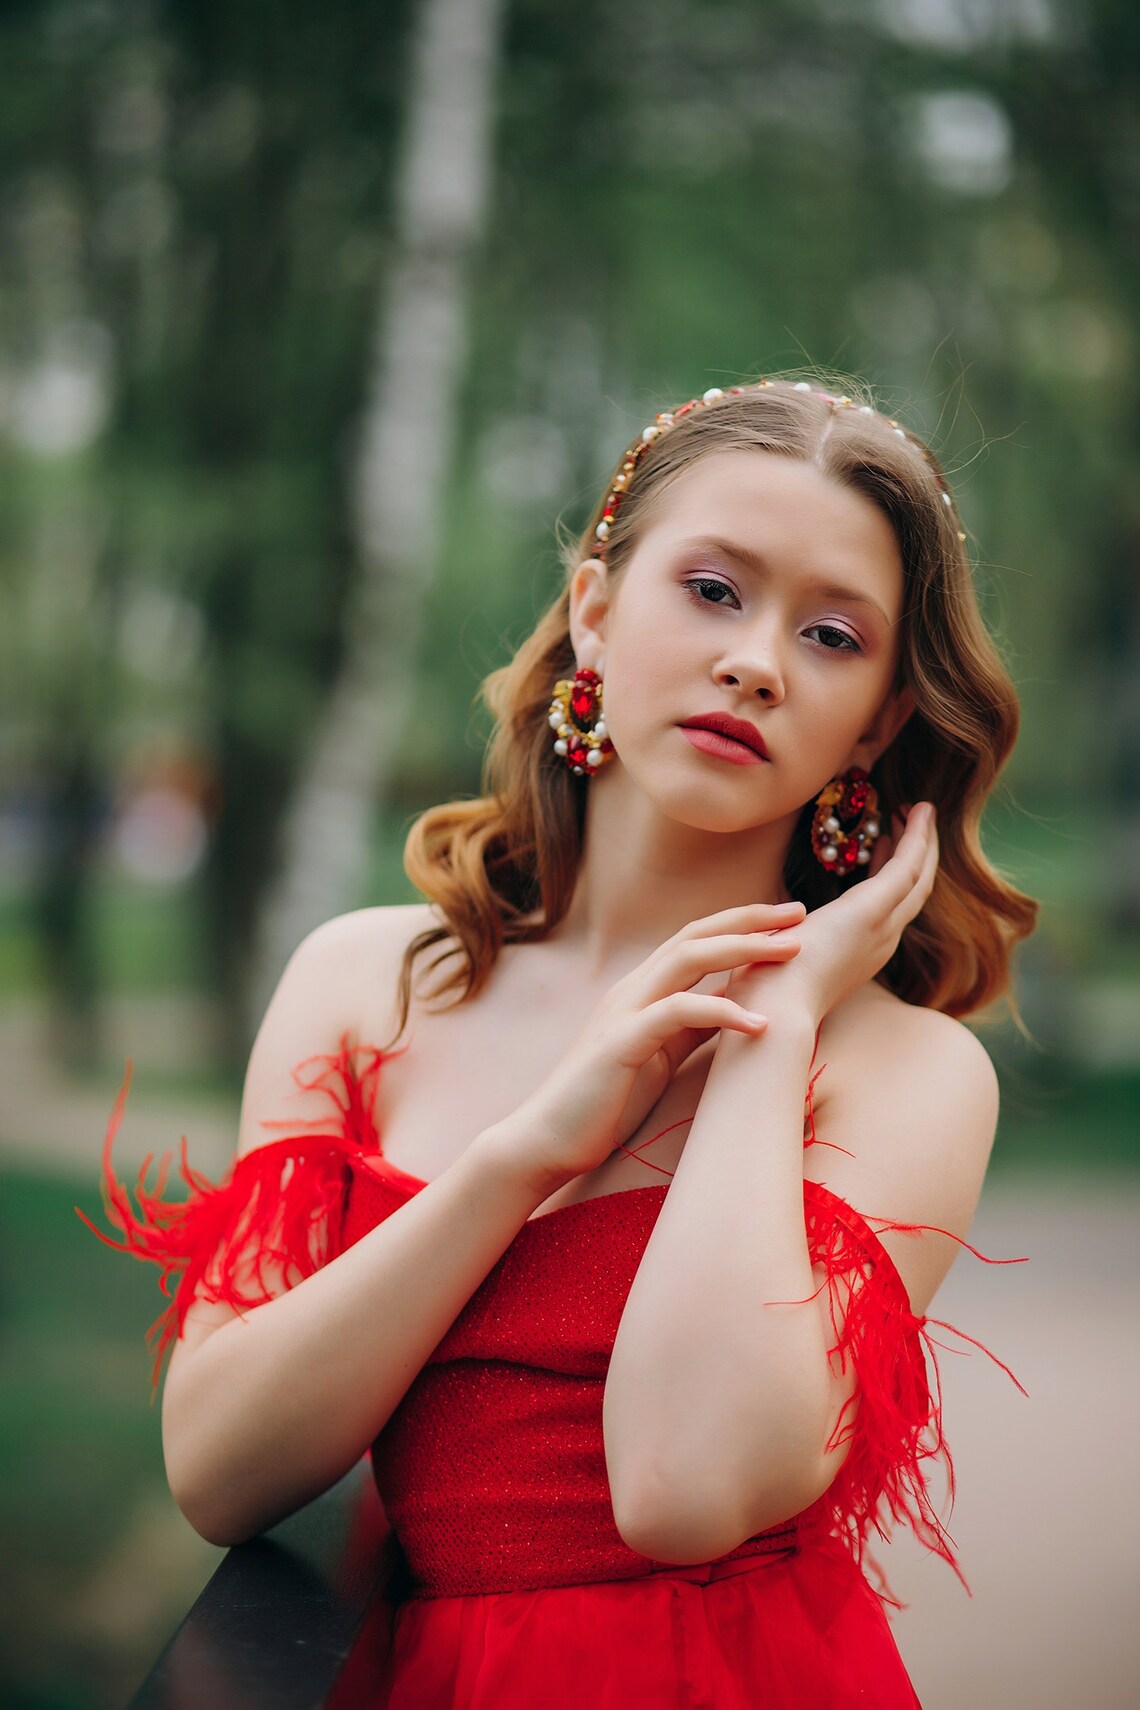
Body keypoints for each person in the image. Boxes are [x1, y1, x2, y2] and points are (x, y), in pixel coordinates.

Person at [86, 377, 1037, 1709]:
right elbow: (220, 1469)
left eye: (830, 634)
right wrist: (527, 1151)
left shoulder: (909, 1071)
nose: (758, 658)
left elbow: (683, 1487)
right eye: (713, 588)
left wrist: (775, 1022)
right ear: (594, 607)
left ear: (877, 721)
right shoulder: (373, 984)